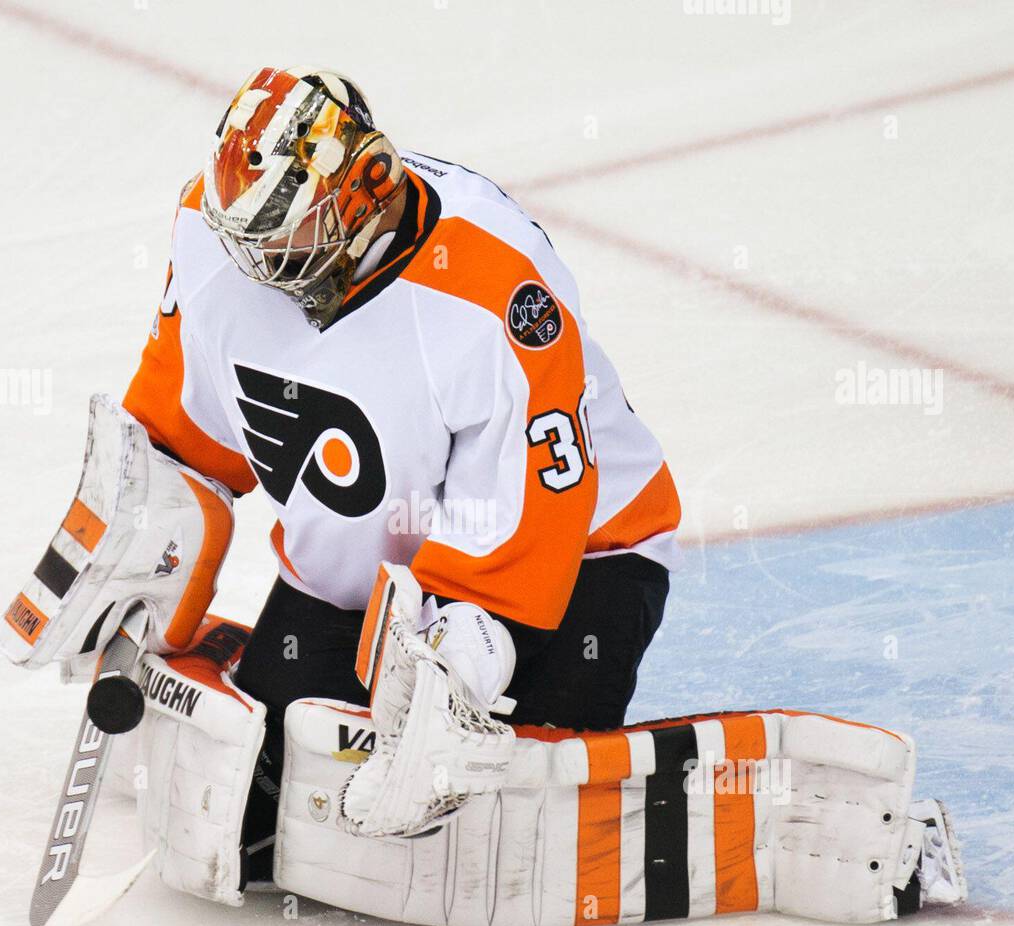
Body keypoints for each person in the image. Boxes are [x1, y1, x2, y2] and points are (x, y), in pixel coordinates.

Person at [121, 67, 681, 877]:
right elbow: (183, 425)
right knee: (269, 812)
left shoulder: (496, 289)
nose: (261, 262)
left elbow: (533, 517)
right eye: (251, 235)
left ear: (368, 191)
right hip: (366, 568)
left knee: (500, 810)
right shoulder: (215, 236)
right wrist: (131, 543)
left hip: (578, 561)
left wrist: (452, 685)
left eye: (287, 232)